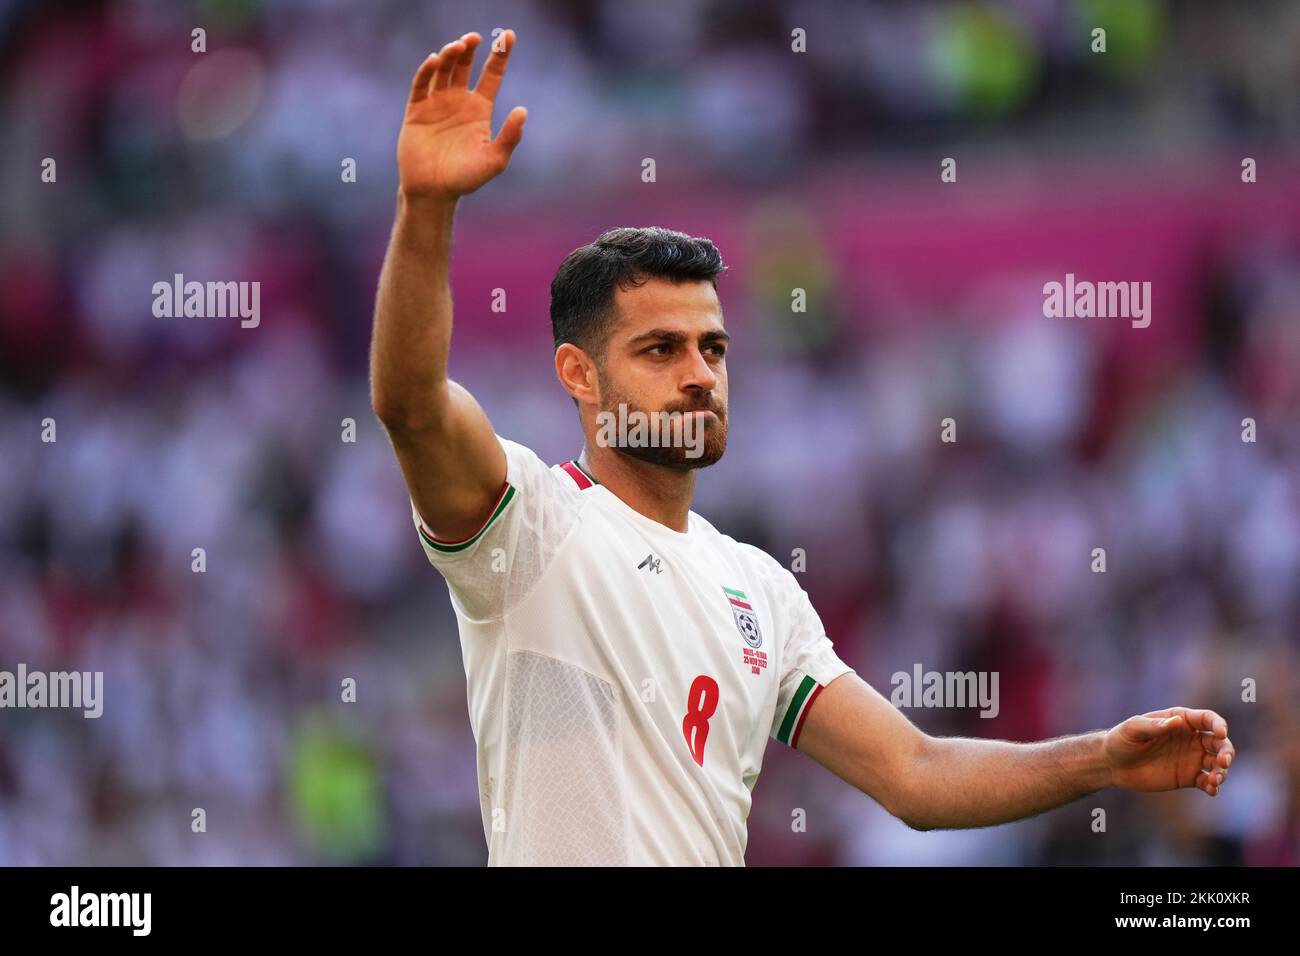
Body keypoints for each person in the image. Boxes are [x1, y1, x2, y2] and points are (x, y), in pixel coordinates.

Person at [368, 29, 1237, 866]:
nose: (700, 375)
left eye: (712, 348)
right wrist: (427, 210)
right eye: (660, 350)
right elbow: (411, 407)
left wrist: (1104, 762)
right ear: (579, 375)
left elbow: (916, 776)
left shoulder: (761, 590)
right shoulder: (531, 523)